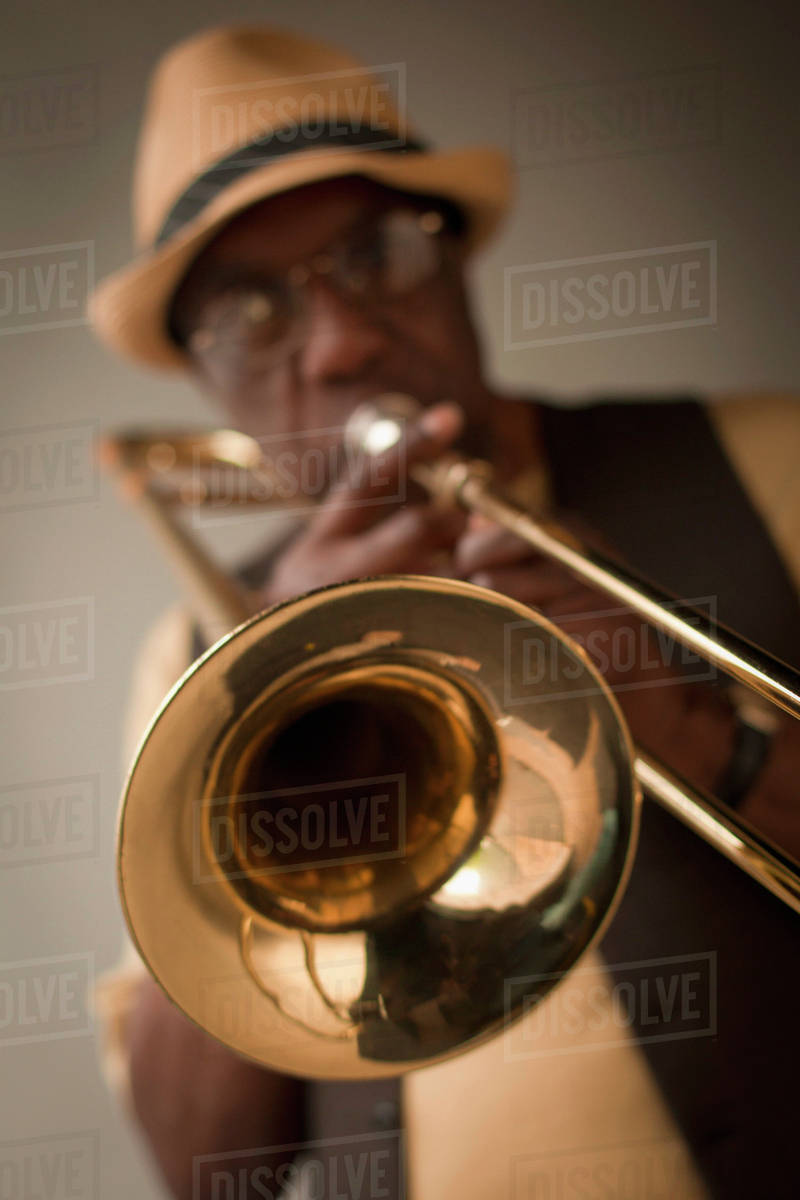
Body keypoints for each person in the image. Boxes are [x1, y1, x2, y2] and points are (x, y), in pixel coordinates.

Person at [89, 23, 800, 1200]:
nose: (342, 342)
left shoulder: (767, 457)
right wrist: (252, 752)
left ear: (457, 261)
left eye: (377, 256)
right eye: (251, 315)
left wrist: (681, 721)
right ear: (204, 382)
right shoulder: (190, 657)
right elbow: (210, 1172)